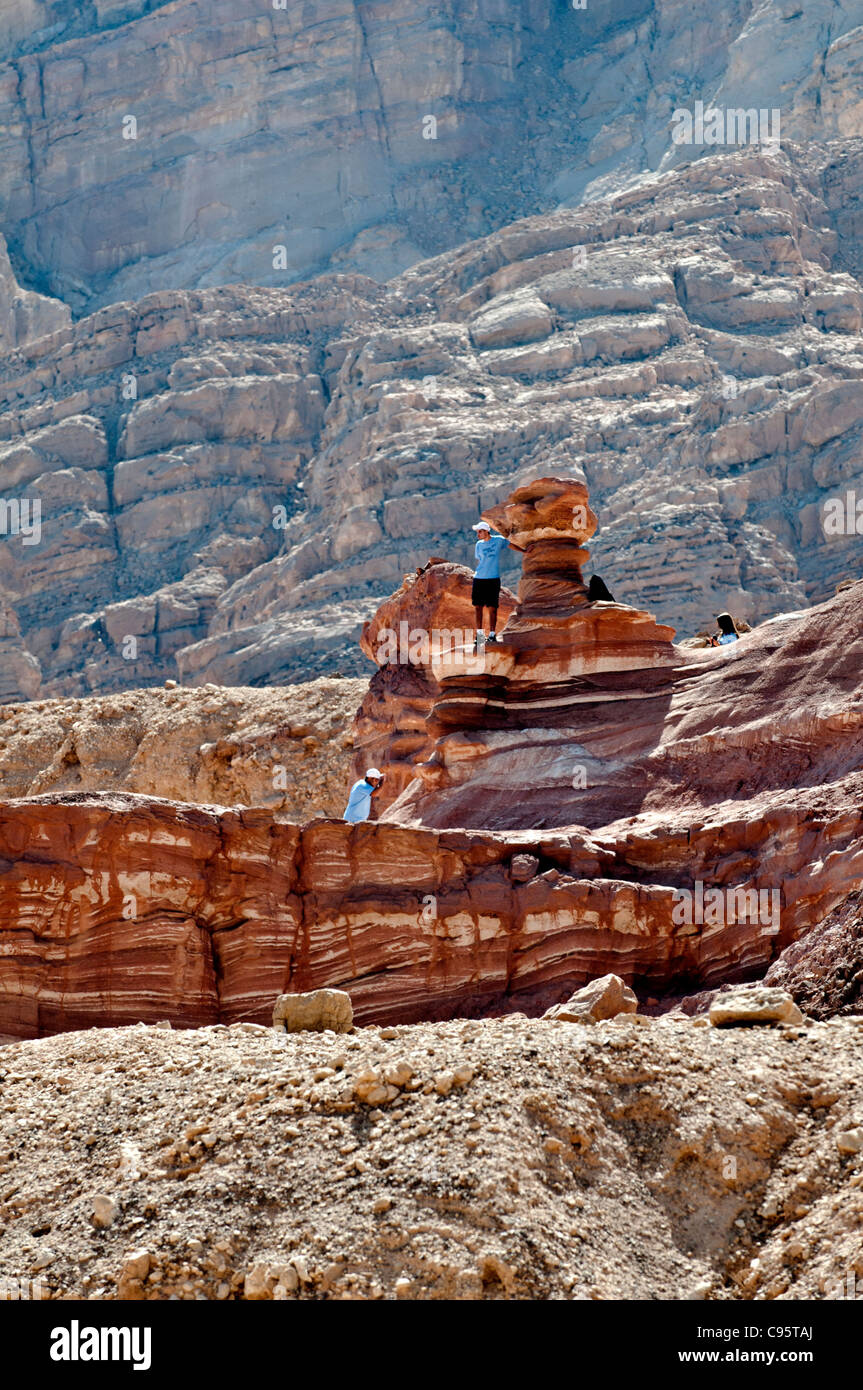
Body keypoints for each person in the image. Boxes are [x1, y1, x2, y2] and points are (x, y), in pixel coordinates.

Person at [471, 521, 510, 645]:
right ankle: (480, 635)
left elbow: (511, 544)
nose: (478, 534)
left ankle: (492, 634)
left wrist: (525, 551)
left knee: (493, 608)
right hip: (479, 579)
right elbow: (480, 560)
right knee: (478, 607)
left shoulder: (499, 540)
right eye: (477, 532)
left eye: (480, 532)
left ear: (487, 531)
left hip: (493, 579)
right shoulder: (478, 545)